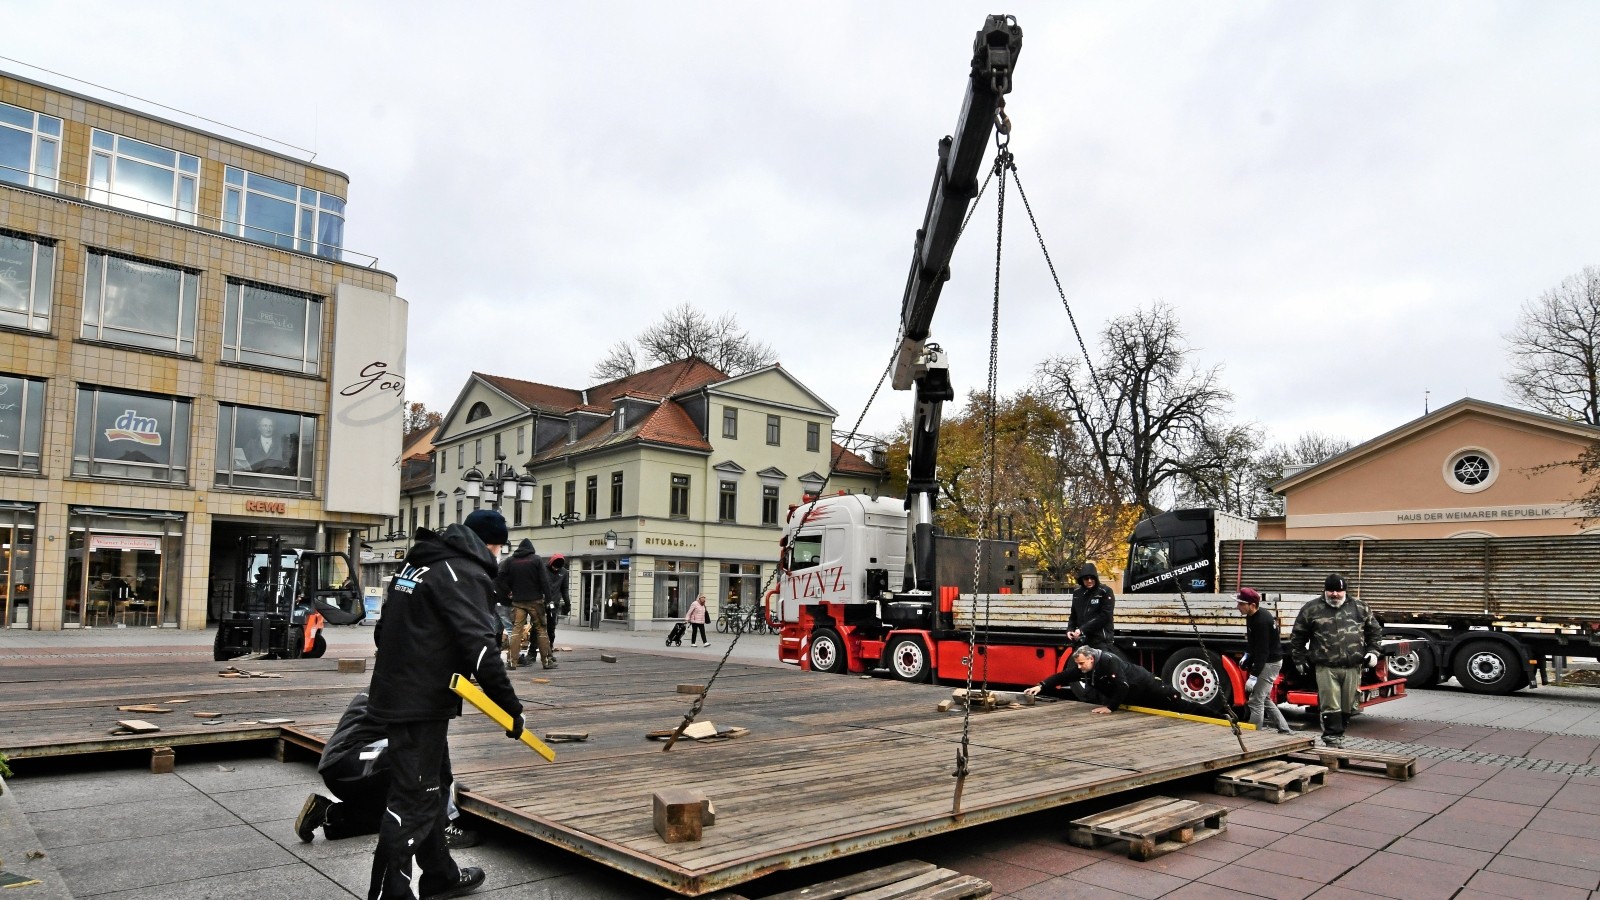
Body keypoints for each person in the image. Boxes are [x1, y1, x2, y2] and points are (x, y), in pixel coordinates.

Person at [365, 508, 525, 900]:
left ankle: (440, 876)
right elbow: (479, 648)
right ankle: (390, 894)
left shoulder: (419, 563)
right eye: (499, 548)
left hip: (404, 693)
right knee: (415, 797)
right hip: (419, 701)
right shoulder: (463, 573)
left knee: (435, 785)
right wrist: (510, 707)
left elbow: (384, 630)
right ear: (492, 544)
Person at [293, 693, 478, 849]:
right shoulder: (418, 689)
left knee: (400, 817)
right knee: (420, 748)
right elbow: (430, 750)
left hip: (339, 768)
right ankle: (440, 831)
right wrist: (443, 794)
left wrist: (444, 786)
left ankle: (330, 813)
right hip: (352, 762)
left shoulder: (391, 678)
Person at [1289, 573, 1382, 748]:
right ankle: (1332, 741)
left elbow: (1375, 632)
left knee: (1348, 707)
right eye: (1330, 590)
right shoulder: (1311, 609)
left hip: (1353, 667)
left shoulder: (1360, 607)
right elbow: (1298, 637)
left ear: (1345, 591)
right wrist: (1299, 660)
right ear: (1324, 590)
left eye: (1339, 591)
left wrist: (1373, 652)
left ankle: (1339, 736)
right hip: (1325, 667)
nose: (1334, 594)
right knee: (1330, 706)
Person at [1024, 646, 1219, 718]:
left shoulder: (1109, 662)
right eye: (1079, 664)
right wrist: (1041, 685)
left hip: (1146, 686)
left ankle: (1222, 716)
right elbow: (1063, 677)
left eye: (1082, 663)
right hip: (1134, 696)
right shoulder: (1086, 667)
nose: (1080, 667)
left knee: (1179, 703)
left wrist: (1110, 707)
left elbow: (1122, 686)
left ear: (1091, 659)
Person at [1235, 588, 1293, 735]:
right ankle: (1285, 729)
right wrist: (1247, 655)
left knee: (1255, 700)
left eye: (1241, 604)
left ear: (1252, 604)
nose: (1238, 607)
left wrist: (1254, 676)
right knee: (1264, 698)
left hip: (1269, 663)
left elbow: (1262, 652)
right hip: (1267, 661)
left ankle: (1253, 735)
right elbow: (1253, 642)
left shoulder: (1261, 621)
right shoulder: (1251, 616)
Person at [495, 538, 557, 670]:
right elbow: (544, 581)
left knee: (516, 630)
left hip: (518, 601)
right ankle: (547, 661)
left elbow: (499, 577)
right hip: (536, 601)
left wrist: (508, 591)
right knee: (541, 629)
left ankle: (512, 662)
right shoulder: (536, 560)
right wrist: (549, 599)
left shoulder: (510, 561)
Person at [1066, 562, 1116, 652]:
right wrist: (1070, 629)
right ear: (1082, 579)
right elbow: (1073, 615)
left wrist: (1082, 629)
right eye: (1086, 578)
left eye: (1092, 578)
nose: (1089, 581)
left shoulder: (1105, 591)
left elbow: (1105, 616)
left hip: (1101, 640)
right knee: (1076, 665)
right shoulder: (1077, 593)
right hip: (1083, 640)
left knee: (1101, 664)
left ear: (1096, 578)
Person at [545, 553, 571, 648]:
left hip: (554, 603)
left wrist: (567, 603)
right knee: (537, 626)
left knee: (551, 627)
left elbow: (564, 589)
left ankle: (550, 646)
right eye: (554, 567)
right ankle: (534, 649)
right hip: (541, 602)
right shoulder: (543, 569)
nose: (555, 569)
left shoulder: (563, 572)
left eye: (558, 568)